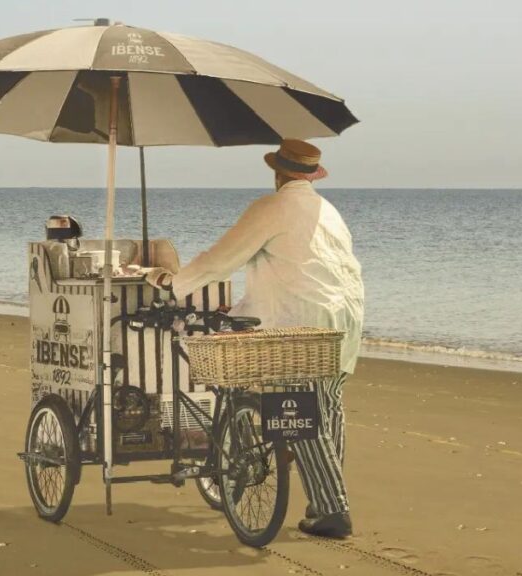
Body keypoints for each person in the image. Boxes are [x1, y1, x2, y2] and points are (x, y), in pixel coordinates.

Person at [146, 139, 364, 538]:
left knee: (298, 413)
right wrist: (244, 306)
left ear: (277, 172)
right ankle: (322, 503)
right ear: (312, 173)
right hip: (344, 321)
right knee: (327, 407)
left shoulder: (271, 208)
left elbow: (220, 259)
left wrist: (171, 282)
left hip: (300, 324)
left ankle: (333, 510)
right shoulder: (328, 211)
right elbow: (292, 272)